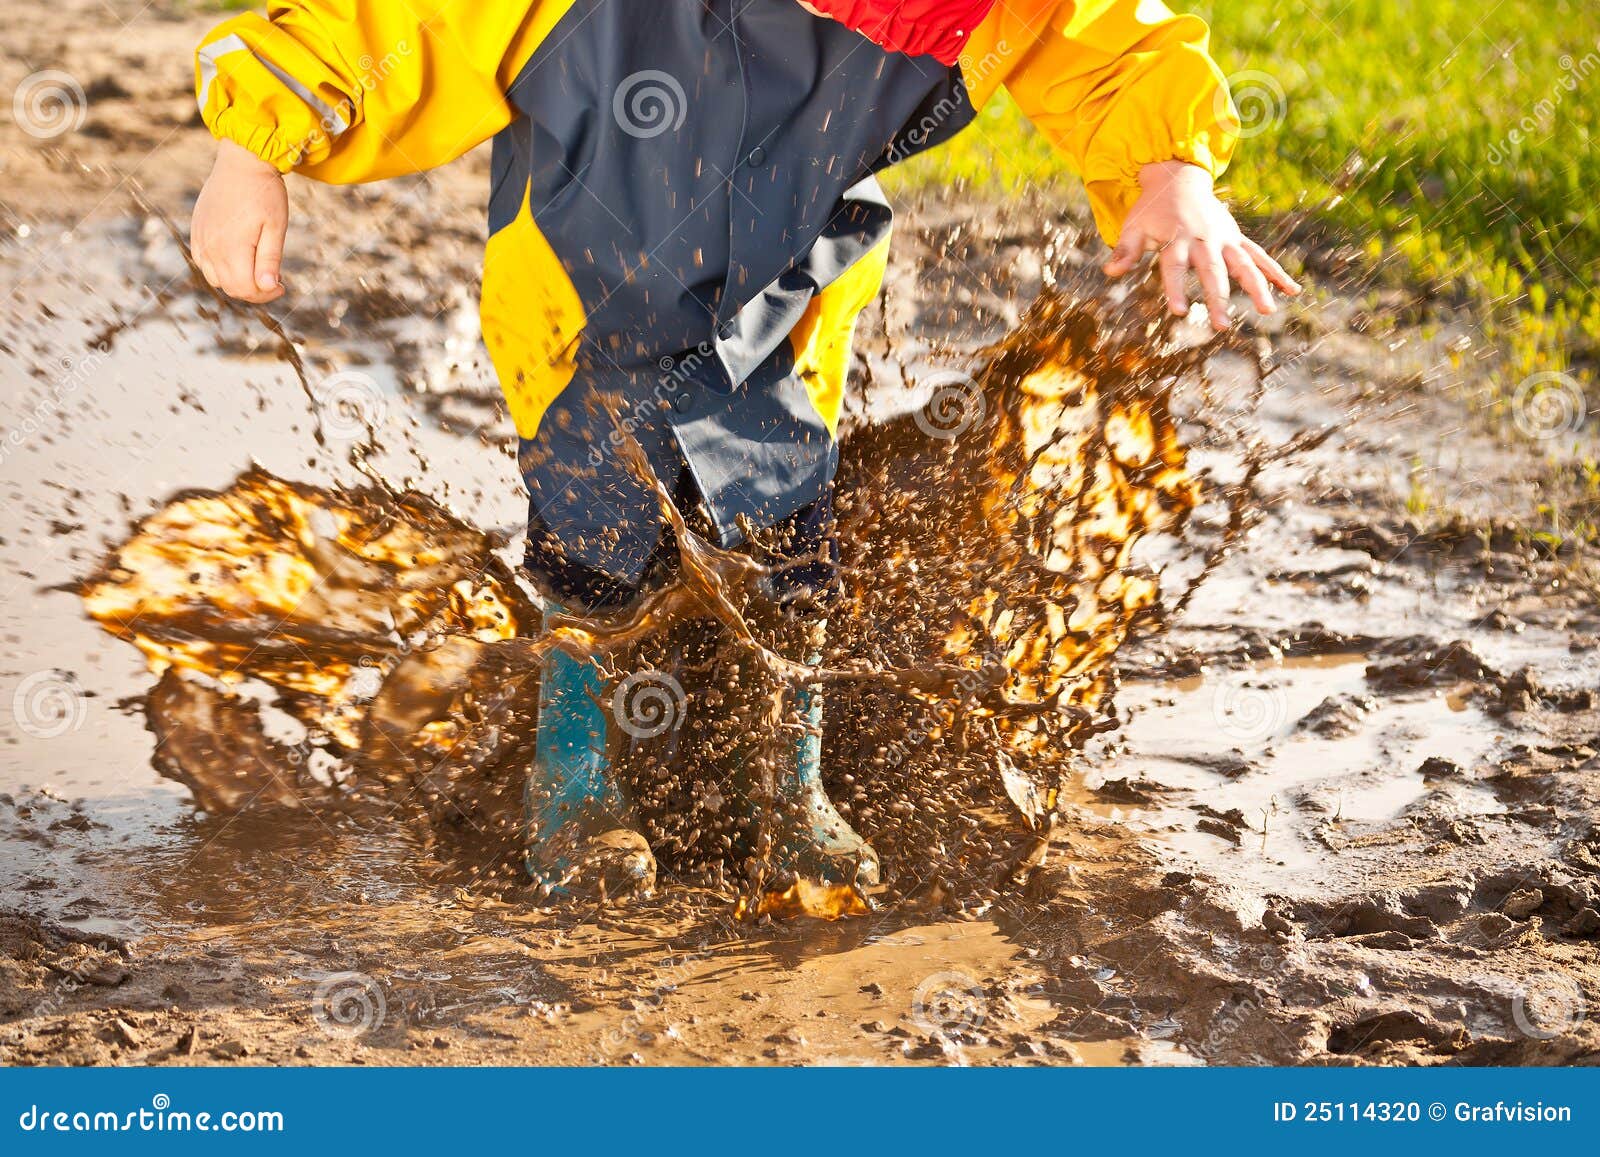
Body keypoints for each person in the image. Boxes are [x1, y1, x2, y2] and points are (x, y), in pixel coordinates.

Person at [187, 0, 1300, 906]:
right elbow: (398, 22)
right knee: (599, 509)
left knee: (779, 492)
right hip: (588, 282)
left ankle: (786, 786)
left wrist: (1170, 172)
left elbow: (1107, 35)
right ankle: (570, 774)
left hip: (783, 271)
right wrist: (257, 142)